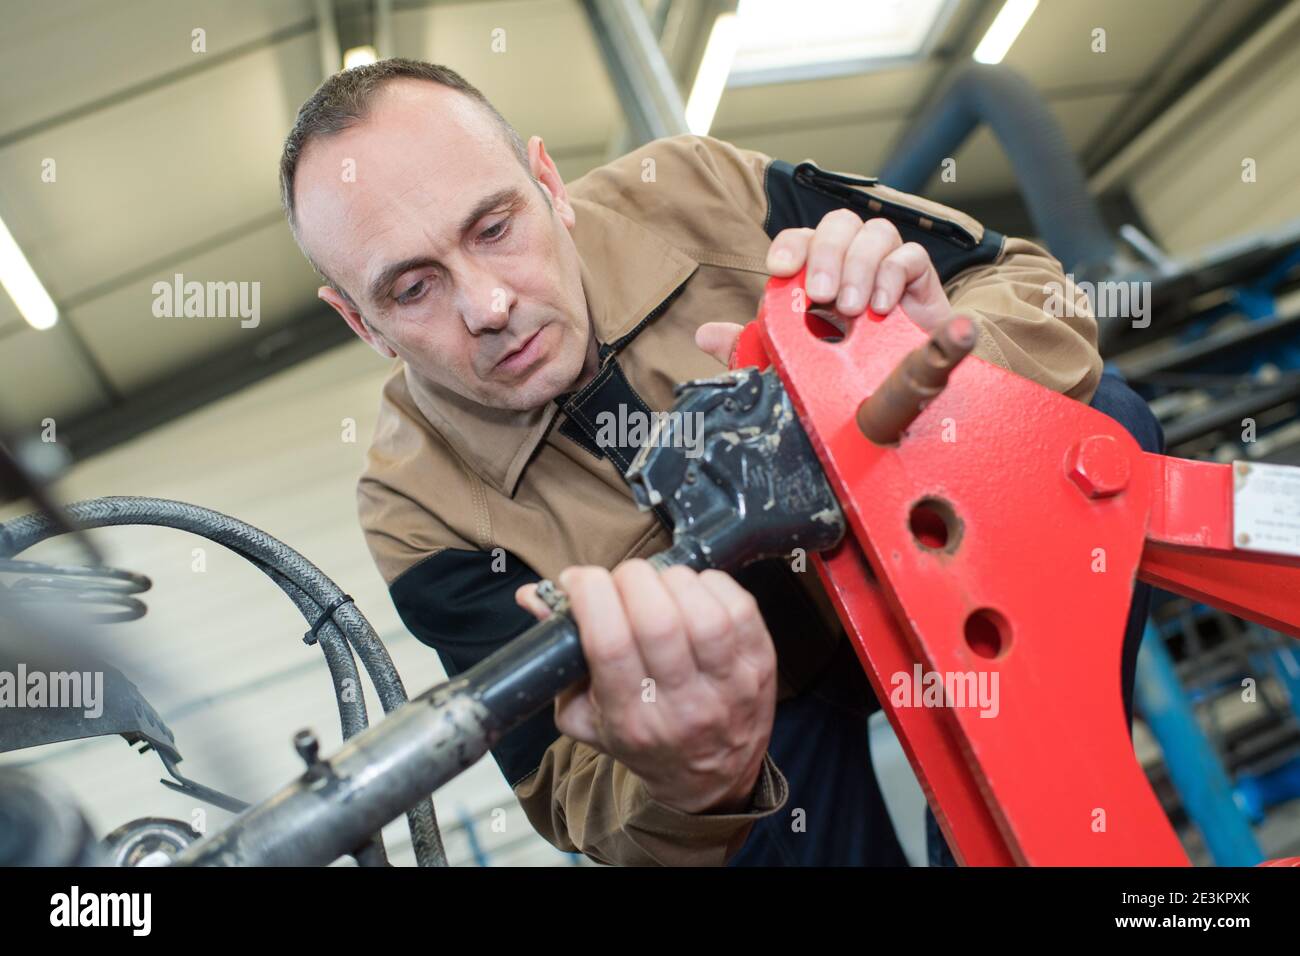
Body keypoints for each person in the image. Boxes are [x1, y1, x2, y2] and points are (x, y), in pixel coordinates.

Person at [278, 58, 1159, 866]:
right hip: (750, 720)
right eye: (413, 288)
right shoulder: (413, 507)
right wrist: (690, 779)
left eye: (495, 227)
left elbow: (1028, 283)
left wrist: (950, 374)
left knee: (1094, 421)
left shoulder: (696, 190)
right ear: (362, 324)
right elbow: (568, 784)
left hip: (927, 565)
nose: (490, 304)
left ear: (549, 184)